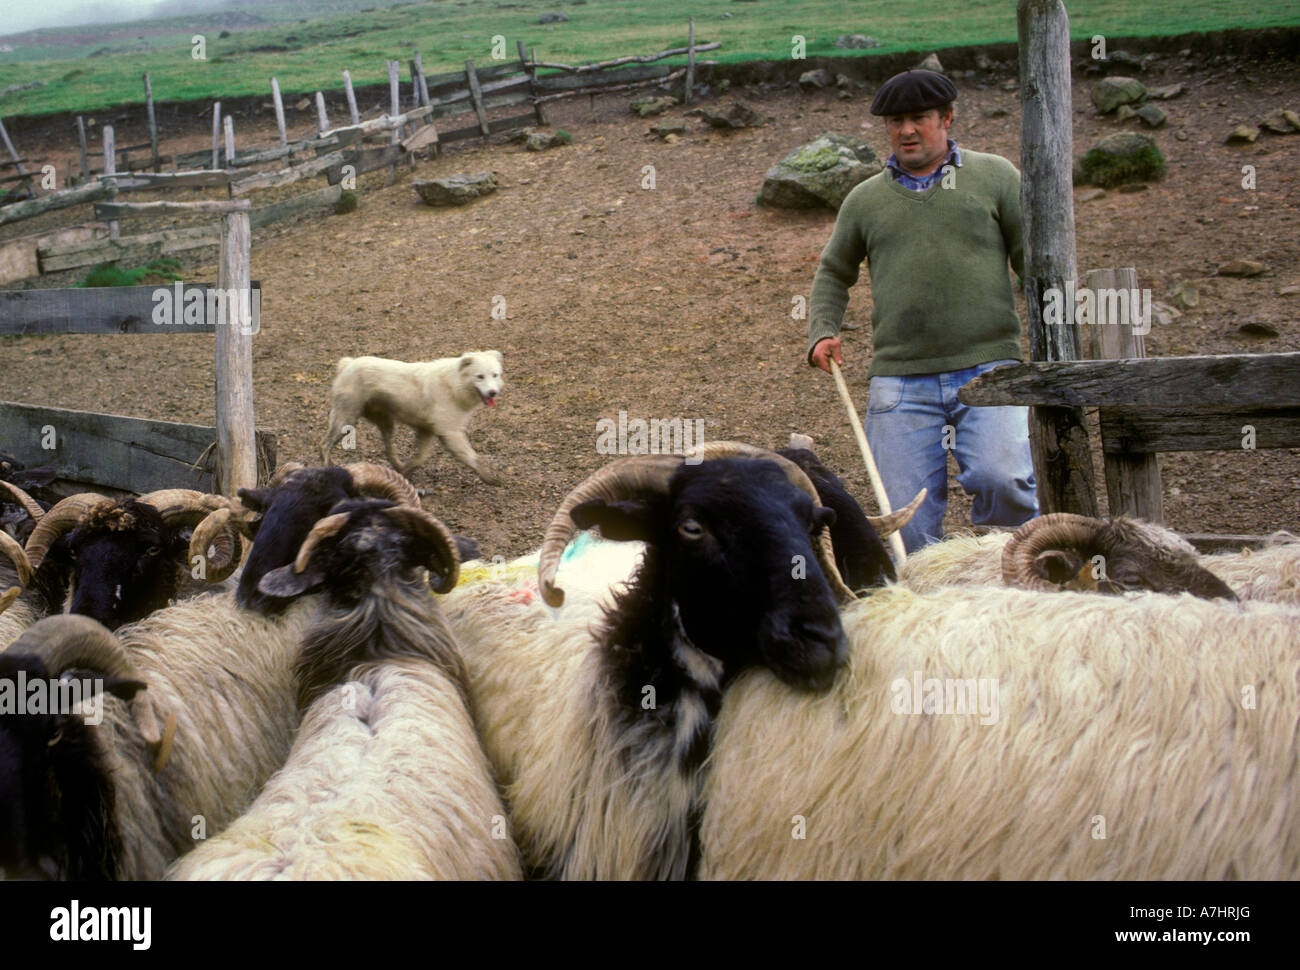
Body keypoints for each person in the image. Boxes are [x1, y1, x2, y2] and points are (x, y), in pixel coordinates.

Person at [806, 68, 1038, 553]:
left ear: (947, 117)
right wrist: (822, 330)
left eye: (918, 118)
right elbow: (833, 271)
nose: (906, 130)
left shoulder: (994, 176)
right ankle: (928, 612)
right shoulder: (864, 200)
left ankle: (1012, 592)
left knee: (1005, 482)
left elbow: (1033, 260)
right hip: (900, 382)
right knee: (904, 521)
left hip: (991, 368)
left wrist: (1058, 321)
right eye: (895, 121)